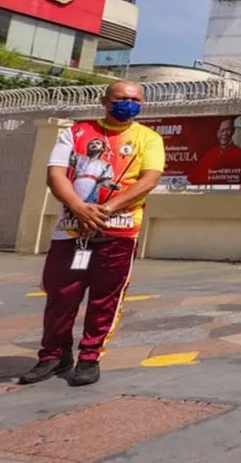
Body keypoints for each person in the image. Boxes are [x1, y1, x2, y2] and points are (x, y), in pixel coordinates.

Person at [19, 81, 164, 388]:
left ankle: (90, 356)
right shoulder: (75, 132)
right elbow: (55, 173)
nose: (128, 103)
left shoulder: (148, 139)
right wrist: (77, 206)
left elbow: (149, 179)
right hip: (70, 231)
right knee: (61, 295)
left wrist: (106, 209)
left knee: (105, 299)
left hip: (120, 232)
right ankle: (54, 355)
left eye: (135, 99)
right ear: (104, 100)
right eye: (121, 98)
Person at [188, 117, 241, 186]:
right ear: (217, 133)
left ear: (233, 131)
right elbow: (194, 178)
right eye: (221, 130)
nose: (224, 134)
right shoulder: (209, 155)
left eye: (227, 130)